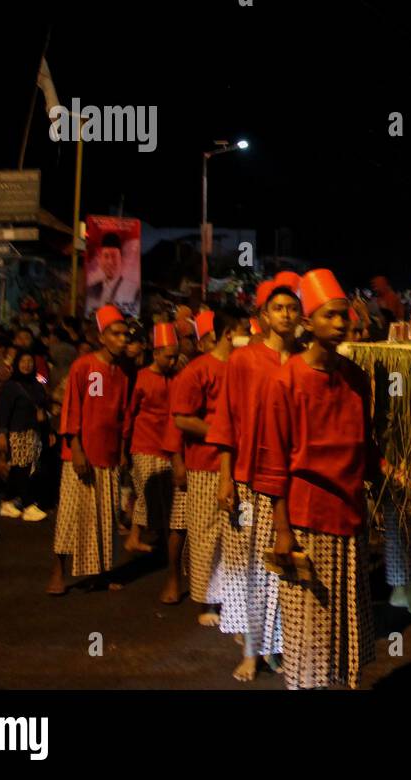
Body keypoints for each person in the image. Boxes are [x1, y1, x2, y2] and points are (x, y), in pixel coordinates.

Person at [260, 269, 379, 689]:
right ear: (307, 323)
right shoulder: (285, 380)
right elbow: (274, 462)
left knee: (344, 631)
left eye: (344, 315)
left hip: (348, 517)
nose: (341, 323)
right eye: (330, 315)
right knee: (308, 632)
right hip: (307, 520)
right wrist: (281, 531)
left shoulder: (356, 378)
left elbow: (367, 445)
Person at [208, 279, 300, 681]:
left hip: (294, 482)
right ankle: (251, 649)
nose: (285, 313)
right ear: (264, 316)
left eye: (291, 308)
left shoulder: (303, 360)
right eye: (277, 307)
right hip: (248, 479)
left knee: (286, 569)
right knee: (250, 570)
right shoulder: (244, 361)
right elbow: (226, 420)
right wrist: (226, 478)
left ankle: (282, 644)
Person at [169, 305, 245, 626]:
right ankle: (205, 602)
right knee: (205, 534)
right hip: (204, 466)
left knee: (235, 534)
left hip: (238, 467)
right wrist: (220, 432)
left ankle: (230, 597)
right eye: (246, 332)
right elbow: (182, 418)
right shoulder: (198, 370)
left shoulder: (244, 368)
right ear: (229, 333)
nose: (251, 337)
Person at [48, 305, 131, 594]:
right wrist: (75, 446)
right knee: (71, 516)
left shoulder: (121, 374)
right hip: (81, 453)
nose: (122, 339)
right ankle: (58, 573)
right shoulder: (83, 366)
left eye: (124, 334)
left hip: (108, 455)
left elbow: (121, 416)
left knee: (104, 519)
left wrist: (121, 451)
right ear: (101, 337)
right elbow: (72, 406)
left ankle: (102, 572)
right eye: (116, 334)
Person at [123, 324, 179, 586]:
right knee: (146, 490)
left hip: (165, 445)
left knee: (165, 495)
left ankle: (159, 543)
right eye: (168, 355)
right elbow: (129, 412)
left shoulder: (175, 377)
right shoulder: (141, 377)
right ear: (156, 353)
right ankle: (135, 536)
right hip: (144, 443)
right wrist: (123, 447)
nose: (173, 360)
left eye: (175, 355)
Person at [0, 352, 50, 521]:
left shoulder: (37, 384)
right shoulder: (11, 386)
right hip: (18, 431)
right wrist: (2, 433)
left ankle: (7, 502)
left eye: (30, 361)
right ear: (16, 364)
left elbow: (43, 406)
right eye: (23, 361)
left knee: (22, 467)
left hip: (34, 431)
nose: (27, 365)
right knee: (22, 467)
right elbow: (4, 411)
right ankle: (27, 505)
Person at [87, 231, 140, 312]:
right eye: (106, 256)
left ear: (121, 259)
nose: (110, 262)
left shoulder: (132, 290)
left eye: (114, 256)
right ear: (100, 259)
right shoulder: (92, 289)